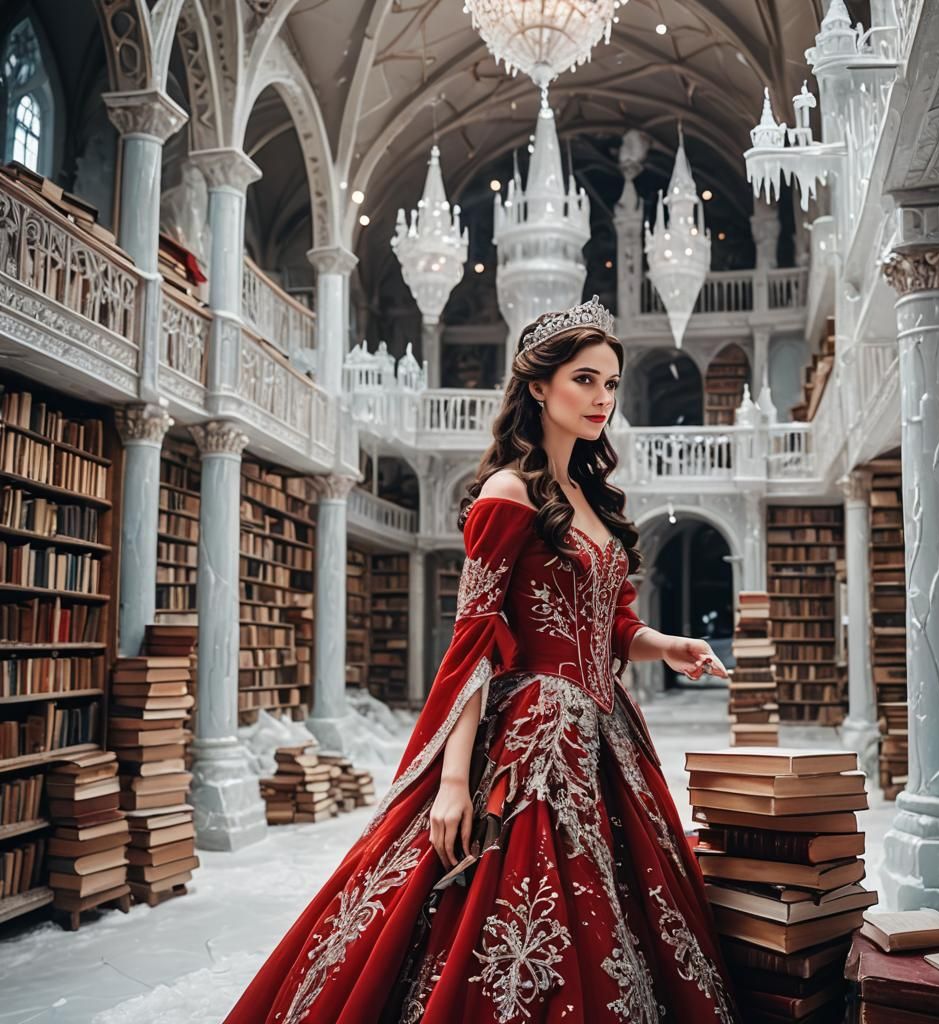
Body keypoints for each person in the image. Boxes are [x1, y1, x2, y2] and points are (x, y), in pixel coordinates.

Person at [225, 296, 740, 1024]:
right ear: (538, 386)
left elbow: (614, 625)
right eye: (585, 379)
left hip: (606, 731)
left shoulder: (587, 496)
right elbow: (473, 642)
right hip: (533, 737)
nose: (602, 399)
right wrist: (455, 780)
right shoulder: (507, 494)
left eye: (612, 383)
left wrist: (665, 644)